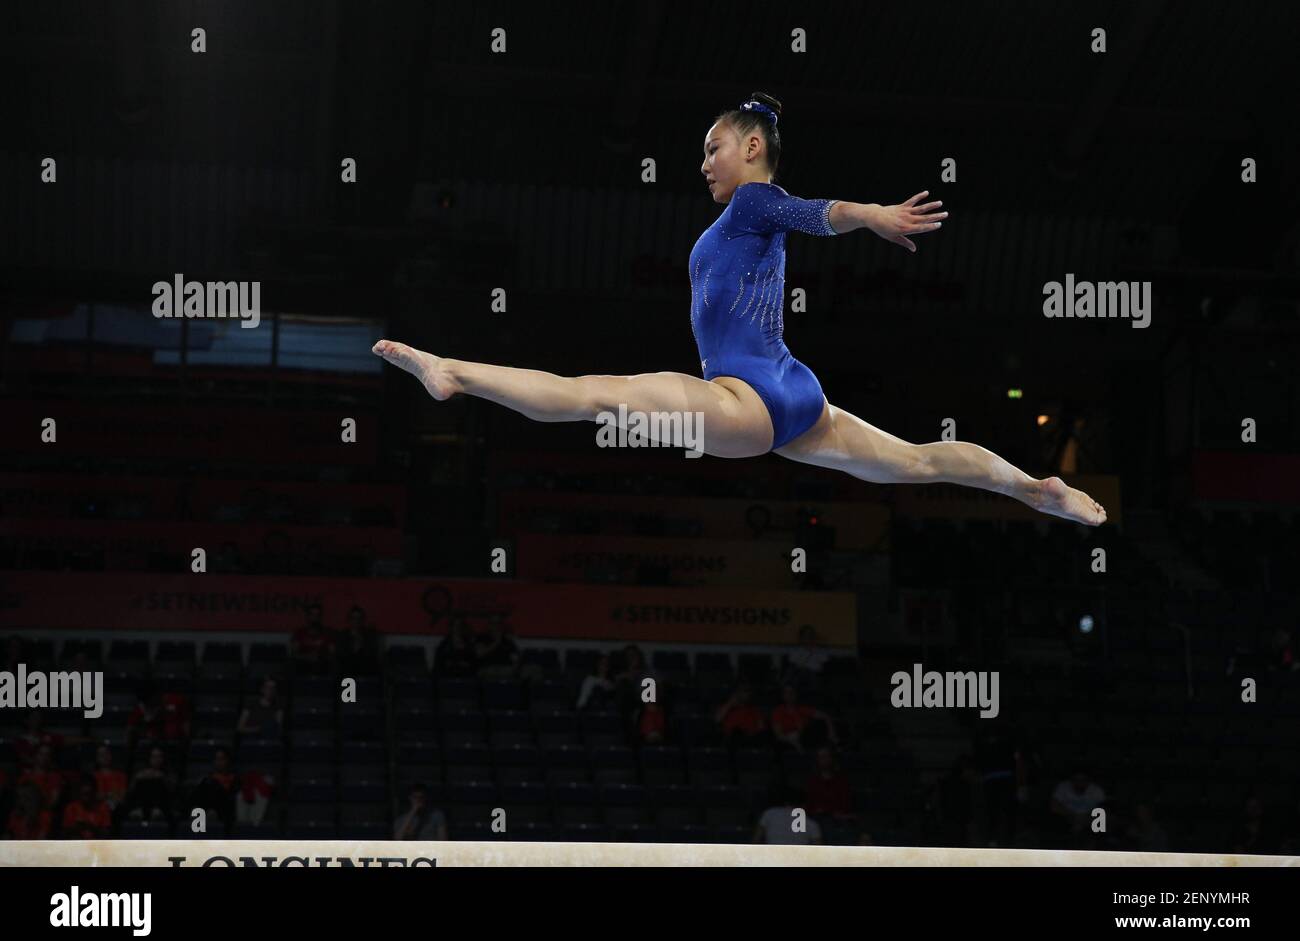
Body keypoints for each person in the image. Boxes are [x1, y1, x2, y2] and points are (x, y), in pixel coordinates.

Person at [372, 92, 1105, 527]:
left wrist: (871, 215)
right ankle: (1032, 489)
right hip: (795, 395)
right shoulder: (743, 220)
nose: (703, 163)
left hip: (746, 399)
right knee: (914, 462)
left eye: (713, 147)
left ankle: (452, 373)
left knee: (593, 396)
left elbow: (818, 212)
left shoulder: (755, 201)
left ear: (753, 146)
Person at [1049, 770, 1106, 848]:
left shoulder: (1096, 790)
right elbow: (1054, 806)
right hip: (1067, 819)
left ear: (1088, 781)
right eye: (1076, 780)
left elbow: (1102, 809)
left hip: (1090, 819)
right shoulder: (1063, 787)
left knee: (1102, 822)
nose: (1079, 783)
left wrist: (1085, 819)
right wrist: (1072, 816)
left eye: (1083, 780)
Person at [771, 684, 836, 751]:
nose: (790, 695)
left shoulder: (802, 709)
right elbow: (779, 735)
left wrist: (831, 733)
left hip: (806, 739)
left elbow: (825, 716)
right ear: (783, 696)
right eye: (787, 692)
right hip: (788, 741)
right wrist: (791, 740)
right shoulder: (777, 712)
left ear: (795, 694)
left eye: (792, 692)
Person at [120, 747, 177, 824]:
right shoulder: (141, 773)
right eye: (154, 757)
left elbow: (172, 790)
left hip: (163, 805)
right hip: (142, 805)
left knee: (157, 781)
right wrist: (138, 777)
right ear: (149, 758)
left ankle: (156, 809)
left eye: (159, 756)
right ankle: (138, 809)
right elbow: (131, 790)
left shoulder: (168, 772)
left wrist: (161, 777)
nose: (157, 759)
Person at [753, 785, 822, 845]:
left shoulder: (769, 814)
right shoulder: (811, 824)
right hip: (797, 859)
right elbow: (819, 849)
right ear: (804, 805)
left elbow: (756, 840)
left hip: (773, 857)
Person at [191, 748, 239, 832]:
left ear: (228, 761)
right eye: (217, 759)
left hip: (228, 815)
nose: (219, 762)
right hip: (209, 814)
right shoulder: (207, 781)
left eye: (222, 759)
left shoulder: (236, 780)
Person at [335, 605, 381, 676]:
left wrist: (360, 643)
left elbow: (372, 656)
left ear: (363, 620)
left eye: (359, 618)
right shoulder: (343, 635)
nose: (356, 621)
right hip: (346, 671)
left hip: (365, 670)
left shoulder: (369, 636)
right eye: (353, 618)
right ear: (349, 620)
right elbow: (340, 655)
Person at [290, 603, 335, 673]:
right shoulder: (299, 633)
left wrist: (320, 657)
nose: (315, 617)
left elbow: (332, 653)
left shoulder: (328, 633)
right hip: (303, 664)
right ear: (307, 617)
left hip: (322, 664)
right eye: (312, 615)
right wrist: (307, 657)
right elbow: (293, 653)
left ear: (320, 617)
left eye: (317, 615)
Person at [92, 744, 128, 810]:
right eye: (101, 755)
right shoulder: (92, 777)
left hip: (117, 808)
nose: (105, 757)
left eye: (106, 753)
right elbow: (94, 796)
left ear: (110, 756)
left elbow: (122, 796)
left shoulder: (121, 775)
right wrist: (108, 795)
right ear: (97, 758)